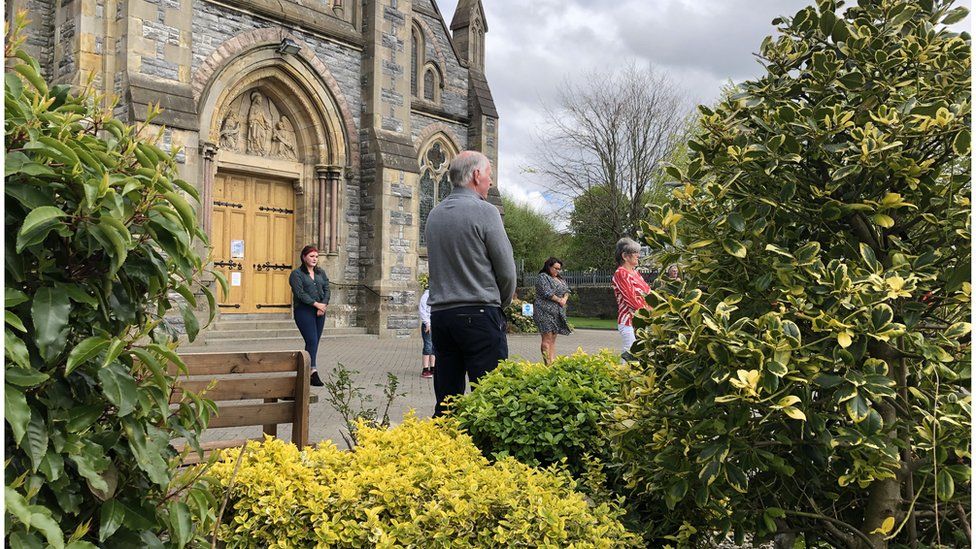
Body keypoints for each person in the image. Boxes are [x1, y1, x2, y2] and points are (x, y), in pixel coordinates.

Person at [425, 150, 517, 416]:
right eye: (489, 175)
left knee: (447, 401)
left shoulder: (434, 215)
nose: (491, 181)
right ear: (476, 175)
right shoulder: (486, 212)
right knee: (492, 402)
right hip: (479, 313)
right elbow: (507, 272)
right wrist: (501, 303)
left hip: (442, 316)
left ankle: (444, 441)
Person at [289, 245, 330, 387]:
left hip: (320, 311)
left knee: (314, 342)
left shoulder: (321, 273)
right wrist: (316, 304)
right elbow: (300, 293)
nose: (315, 259)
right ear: (303, 257)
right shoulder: (296, 274)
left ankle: (306, 372)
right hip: (304, 311)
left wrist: (323, 305)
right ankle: (313, 371)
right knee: (311, 340)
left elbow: (327, 289)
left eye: (316, 257)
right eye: (311, 256)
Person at [611, 238, 650, 360]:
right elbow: (632, 300)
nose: (638, 255)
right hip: (629, 321)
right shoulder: (621, 273)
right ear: (625, 256)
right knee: (631, 355)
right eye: (635, 252)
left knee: (636, 356)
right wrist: (650, 312)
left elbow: (648, 293)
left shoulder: (636, 273)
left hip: (641, 321)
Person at [532, 256, 572, 364]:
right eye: (555, 268)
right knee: (547, 339)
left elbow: (567, 291)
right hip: (544, 311)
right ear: (548, 266)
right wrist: (559, 300)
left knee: (553, 339)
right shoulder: (543, 277)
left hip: (557, 312)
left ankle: (552, 362)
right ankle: (547, 364)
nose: (557, 271)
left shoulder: (560, 279)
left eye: (559, 269)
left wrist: (564, 299)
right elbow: (547, 292)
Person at [418, 283, 435, 379]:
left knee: (434, 346)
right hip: (428, 324)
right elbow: (422, 310)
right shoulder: (426, 296)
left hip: (435, 323)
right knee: (428, 346)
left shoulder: (436, 294)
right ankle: (425, 369)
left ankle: (433, 368)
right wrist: (427, 323)